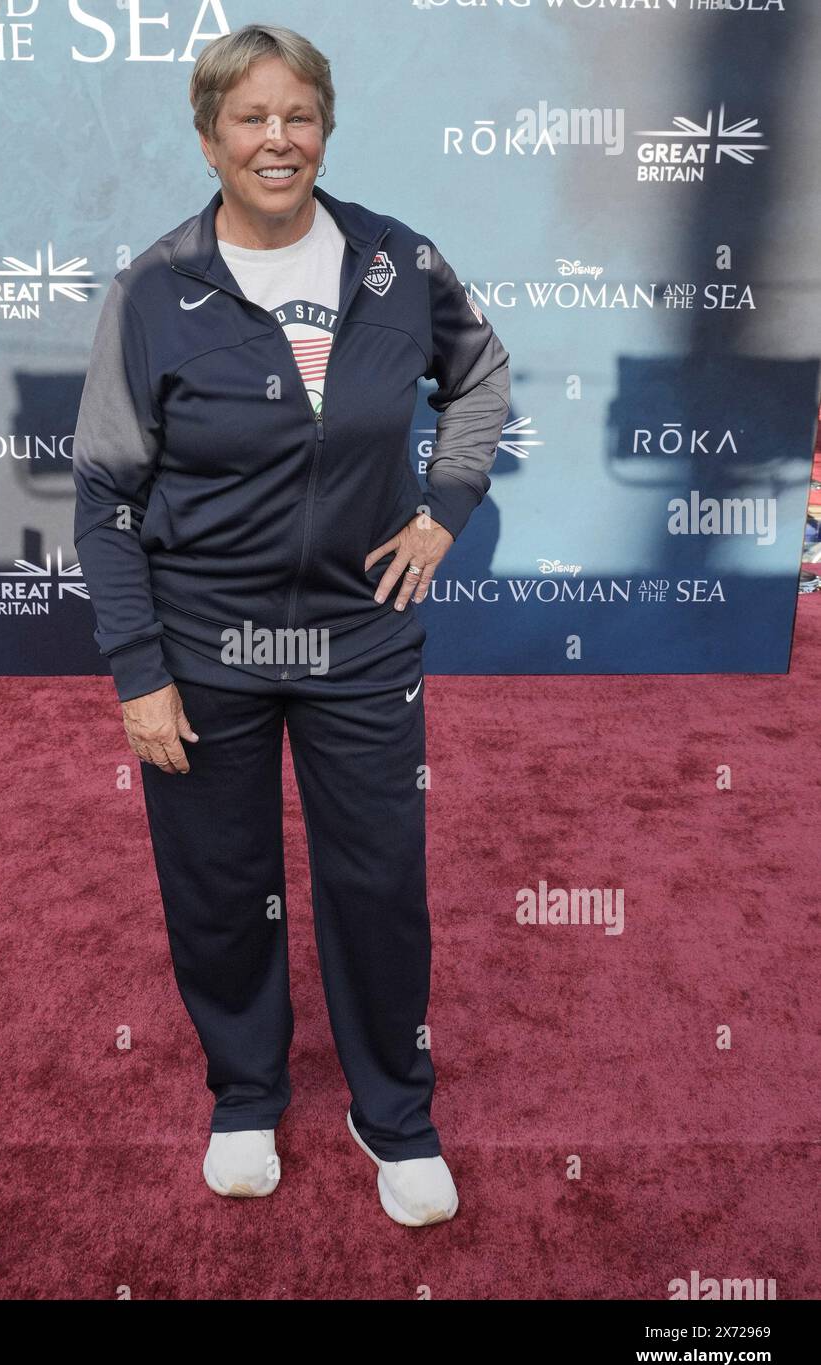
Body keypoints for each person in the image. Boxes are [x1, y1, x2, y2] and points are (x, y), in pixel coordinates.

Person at [72, 23, 510, 1227]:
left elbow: (478, 380)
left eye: (298, 115)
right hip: (200, 643)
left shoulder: (395, 261)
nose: (278, 139)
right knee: (219, 883)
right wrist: (137, 671)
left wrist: (443, 510)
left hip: (359, 640)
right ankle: (246, 1090)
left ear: (325, 126)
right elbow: (106, 495)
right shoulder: (155, 288)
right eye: (251, 117)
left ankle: (395, 1113)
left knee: (377, 880)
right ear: (209, 135)